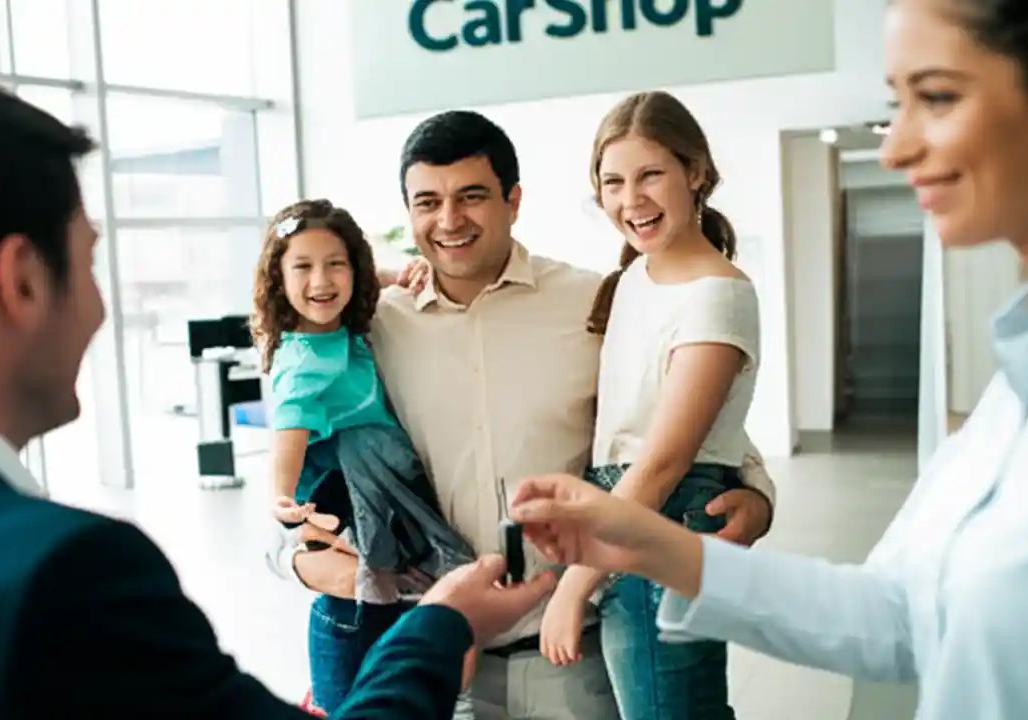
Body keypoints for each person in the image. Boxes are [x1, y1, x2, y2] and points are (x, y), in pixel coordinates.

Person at [0, 79, 556, 719]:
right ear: (22, 281)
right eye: (89, 260)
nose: (99, 309)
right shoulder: (64, 573)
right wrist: (440, 626)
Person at [508, 1, 1028, 718]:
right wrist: (646, 543)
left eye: (938, 97)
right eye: (896, 105)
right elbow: (895, 616)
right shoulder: (1023, 383)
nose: (894, 149)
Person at [268, 109, 779, 718]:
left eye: (472, 196)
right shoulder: (372, 329)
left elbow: (669, 414)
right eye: (427, 202)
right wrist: (295, 559)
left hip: (576, 658)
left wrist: (756, 491)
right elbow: (298, 462)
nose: (449, 220)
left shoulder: (592, 302)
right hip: (446, 662)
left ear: (513, 200)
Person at [536, 90, 760, 720]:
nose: (630, 199)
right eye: (613, 182)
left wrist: (576, 584)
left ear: (696, 172)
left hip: (658, 520)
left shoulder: (717, 294)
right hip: (625, 515)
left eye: (650, 175)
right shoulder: (636, 276)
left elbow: (665, 462)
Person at [252, 197, 477, 713]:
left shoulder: (340, 334)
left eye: (335, 264)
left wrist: (401, 273)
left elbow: (363, 275)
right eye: (302, 268)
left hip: (386, 553)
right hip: (355, 601)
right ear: (278, 279)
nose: (321, 281)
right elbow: (286, 441)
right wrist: (282, 500)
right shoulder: (303, 365)